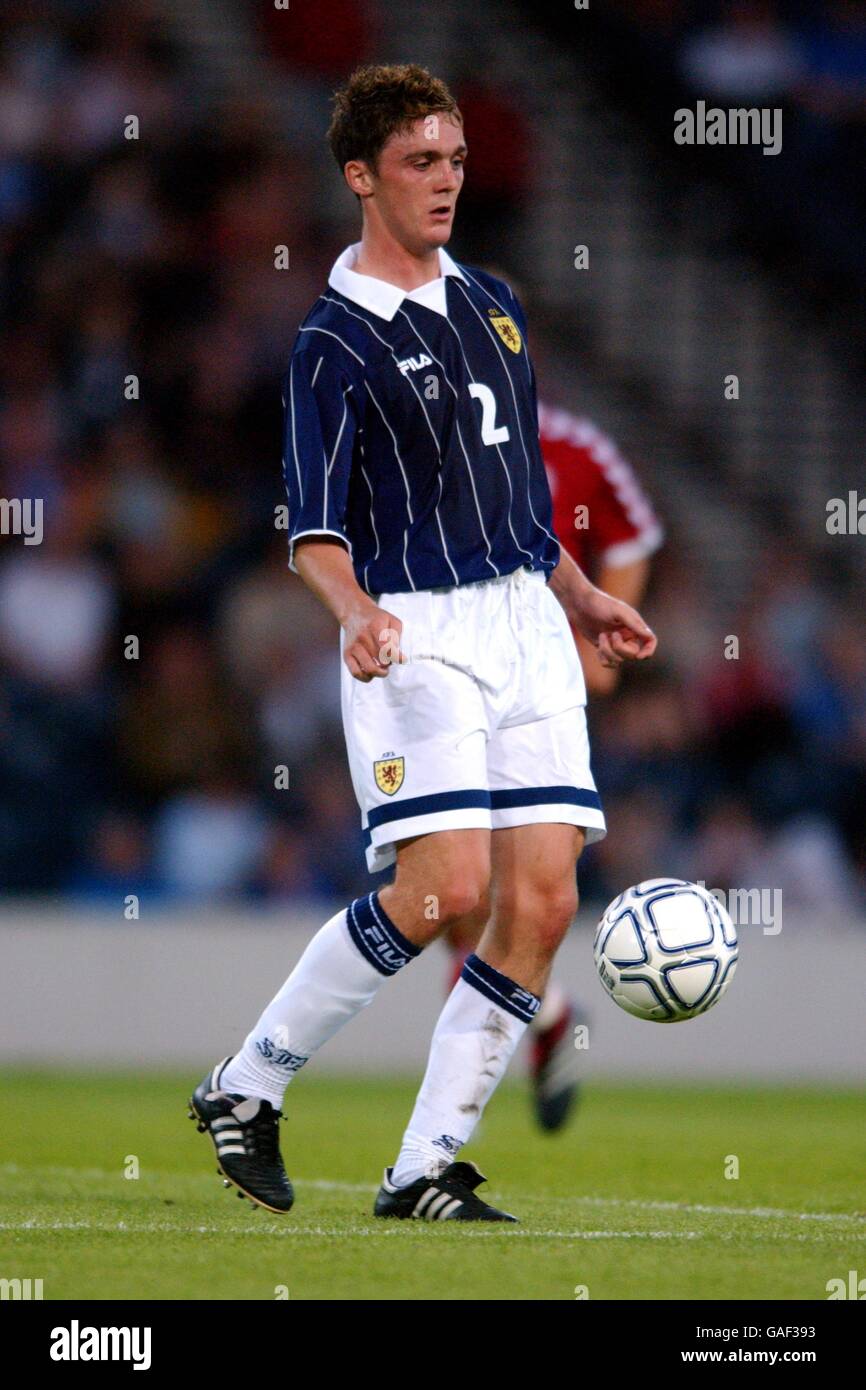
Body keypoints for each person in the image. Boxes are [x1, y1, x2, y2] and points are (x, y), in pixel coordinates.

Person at [188, 63, 656, 1223]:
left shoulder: (493, 300)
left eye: (453, 160)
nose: (446, 181)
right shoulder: (331, 344)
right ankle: (247, 1082)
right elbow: (311, 527)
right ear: (359, 175)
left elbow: (515, 506)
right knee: (439, 887)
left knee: (541, 900)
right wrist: (355, 615)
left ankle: (424, 1165)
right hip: (415, 627)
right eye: (418, 163)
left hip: (525, 619)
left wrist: (581, 593)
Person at [444, 390, 664, 1132]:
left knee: (509, 890)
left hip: (536, 692)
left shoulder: (572, 443)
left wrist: (596, 645)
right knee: (453, 893)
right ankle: (551, 1017)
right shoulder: (421, 429)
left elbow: (633, 534)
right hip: (450, 677)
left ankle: (438, 1129)